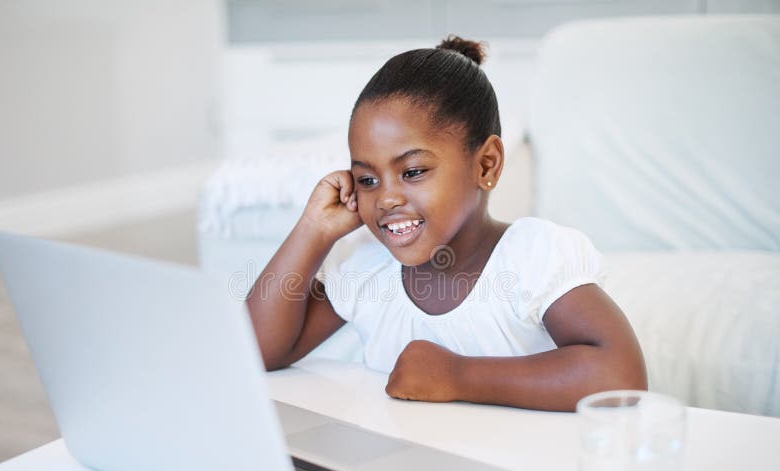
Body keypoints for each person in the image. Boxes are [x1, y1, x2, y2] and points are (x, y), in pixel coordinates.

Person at [246, 36, 647, 412]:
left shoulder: (531, 257)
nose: (385, 198)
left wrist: (459, 376)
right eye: (367, 180)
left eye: (414, 171)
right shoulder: (367, 267)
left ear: (486, 164)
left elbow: (620, 375)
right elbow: (255, 351)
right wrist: (312, 231)